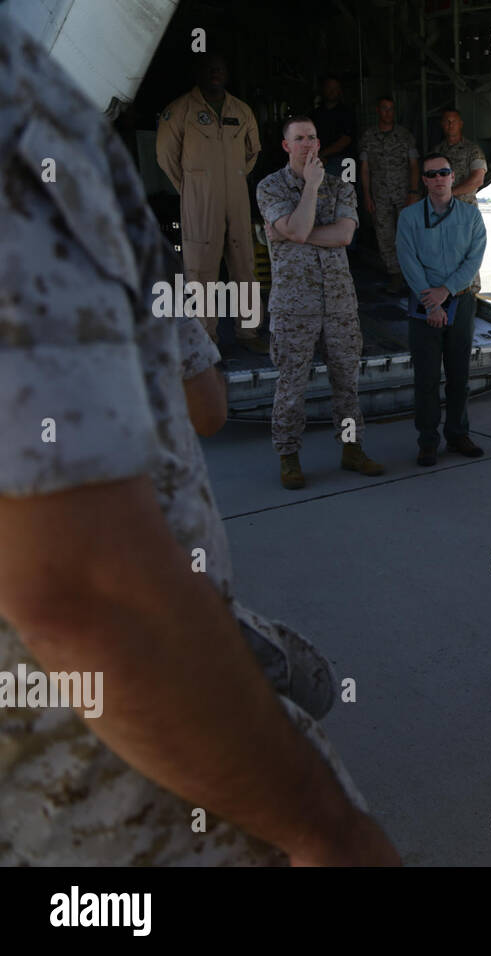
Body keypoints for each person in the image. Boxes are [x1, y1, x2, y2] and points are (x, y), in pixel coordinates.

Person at [0, 21, 398, 865]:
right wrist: (324, 829)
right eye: (293, 139)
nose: (294, 142)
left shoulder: (237, 135)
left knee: (250, 297)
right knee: (231, 297)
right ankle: (287, 449)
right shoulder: (39, 128)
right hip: (90, 752)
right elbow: (83, 591)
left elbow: (342, 235)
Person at [256, 117, 385, 489]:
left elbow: (344, 235)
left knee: (347, 384)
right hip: (294, 306)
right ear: (286, 146)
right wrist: (310, 189)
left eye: (313, 137)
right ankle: (289, 457)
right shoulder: (270, 187)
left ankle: (351, 448)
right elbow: (298, 229)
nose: (308, 144)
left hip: (339, 303)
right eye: (299, 139)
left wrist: (293, 234)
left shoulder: (341, 187)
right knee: (291, 386)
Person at [156, 53, 267, 352]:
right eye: (209, 68)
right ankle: (207, 337)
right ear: (199, 73)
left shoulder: (241, 110)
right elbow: (165, 155)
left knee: (244, 264)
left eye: (221, 68)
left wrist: (231, 177)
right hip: (200, 199)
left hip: (237, 196)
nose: (216, 72)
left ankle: (249, 331)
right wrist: (194, 185)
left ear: (227, 73)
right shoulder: (180, 111)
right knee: (201, 270)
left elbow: (252, 151)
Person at [396, 152, 488, 466]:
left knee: (459, 375)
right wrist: (431, 301)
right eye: (431, 175)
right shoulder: (409, 218)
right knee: (426, 376)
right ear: (424, 181)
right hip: (424, 305)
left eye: (443, 173)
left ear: (452, 177)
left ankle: (458, 433)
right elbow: (408, 263)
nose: (438, 179)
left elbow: (474, 259)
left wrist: (445, 291)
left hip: (460, 302)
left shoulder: (471, 216)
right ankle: (427, 440)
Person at [358, 95, 421, 294]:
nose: (388, 113)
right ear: (378, 111)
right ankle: (395, 275)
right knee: (384, 235)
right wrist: (367, 196)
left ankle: (412, 275)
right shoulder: (368, 137)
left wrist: (413, 191)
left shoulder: (405, 136)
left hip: (403, 193)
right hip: (380, 194)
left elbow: (414, 165)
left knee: (408, 235)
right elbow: (365, 169)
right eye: (384, 108)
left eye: (391, 109)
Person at [436, 108, 487, 205]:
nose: (451, 125)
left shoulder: (473, 150)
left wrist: (449, 194)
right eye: (447, 122)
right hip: (440, 209)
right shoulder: (437, 151)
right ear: (442, 124)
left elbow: (478, 180)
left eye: (454, 121)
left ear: (460, 124)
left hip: (465, 208)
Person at [312, 75, 356, 179]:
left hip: (342, 162)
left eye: (335, 88)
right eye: (329, 88)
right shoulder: (314, 114)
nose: (332, 91)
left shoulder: (347, 113)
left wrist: (322, 154)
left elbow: (345, 140)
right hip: (319, 163)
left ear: (340, 91)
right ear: (323, 89)